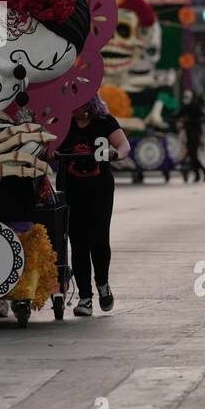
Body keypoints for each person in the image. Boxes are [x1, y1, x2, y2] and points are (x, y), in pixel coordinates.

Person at [58, 95, 130, 316]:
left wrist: (116, 154)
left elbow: (123, 145)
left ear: (89, 102)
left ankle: (103, 284)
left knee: (99, 239)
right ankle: (85, 298)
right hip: (71, 188)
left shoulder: (104, 121)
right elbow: (47, 144)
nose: (72, 106)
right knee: (78, 242)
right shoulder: (62, 122)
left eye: (77, 101)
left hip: (99, 189)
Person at [174, 89, 205, 182]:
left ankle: (203, 172)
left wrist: (191, 120)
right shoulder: (185, 107)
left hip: (196, 134)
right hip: (188, 134)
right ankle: (199, 174)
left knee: (193, 155)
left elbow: (204, 118)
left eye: (188, 97)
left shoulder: (195, 107)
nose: (186, 99)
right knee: (191, 155)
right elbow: (177, 116)